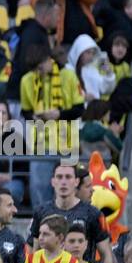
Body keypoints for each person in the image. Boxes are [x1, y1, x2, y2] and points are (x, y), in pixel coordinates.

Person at [29, 162, 112, 263]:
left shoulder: (93, 214)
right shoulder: (41, 212)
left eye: (68, 177)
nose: (63, 182)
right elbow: (34, 253)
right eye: (59, 177)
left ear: (76, 182)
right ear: (53, 181)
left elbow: (106, 255)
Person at [19, 45, 84, 177]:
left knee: (66, 191)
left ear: (49, 60)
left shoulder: (69, 76)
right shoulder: (26, 80)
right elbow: (25, 111)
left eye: (40, 68)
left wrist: (59, 115)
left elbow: (79, 109)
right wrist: (34, 118)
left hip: (67, 144)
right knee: (39, 192)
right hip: (40, 146)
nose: (38, 73)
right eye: (35, 70)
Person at [7, 0, 58, 102]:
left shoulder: (36, 31)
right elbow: (28, 65)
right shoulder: (33, 35)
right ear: (47, 16)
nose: (58, 19)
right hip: (20, 97)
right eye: (56, 15)